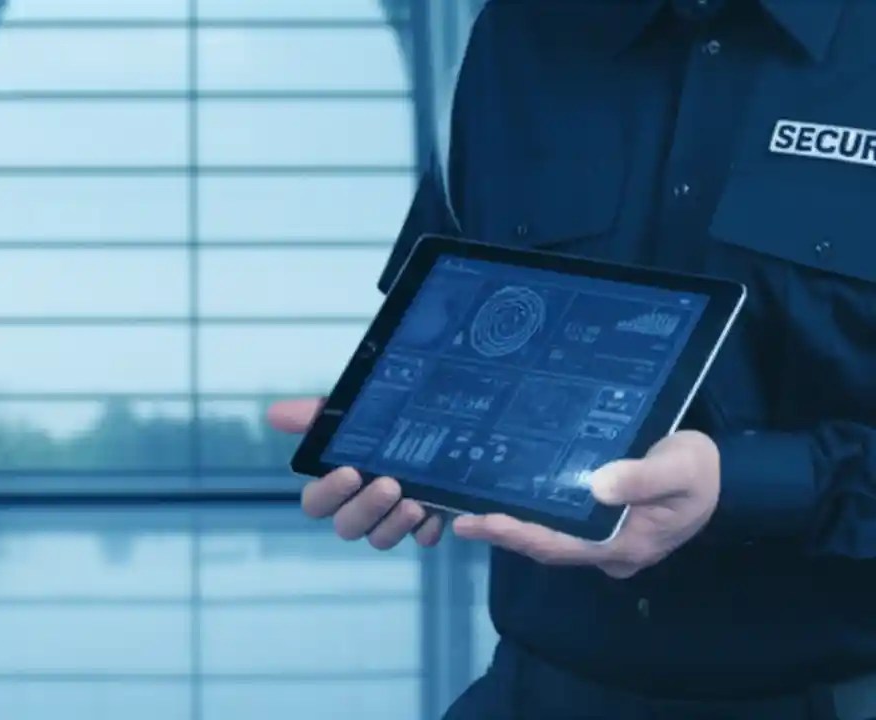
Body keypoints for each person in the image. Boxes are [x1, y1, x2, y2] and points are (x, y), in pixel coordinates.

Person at [268, 0, 876, 718]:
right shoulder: (510, 37)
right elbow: (452, 324)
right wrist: (421, 435)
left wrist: (747, 483)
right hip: (536, 690)